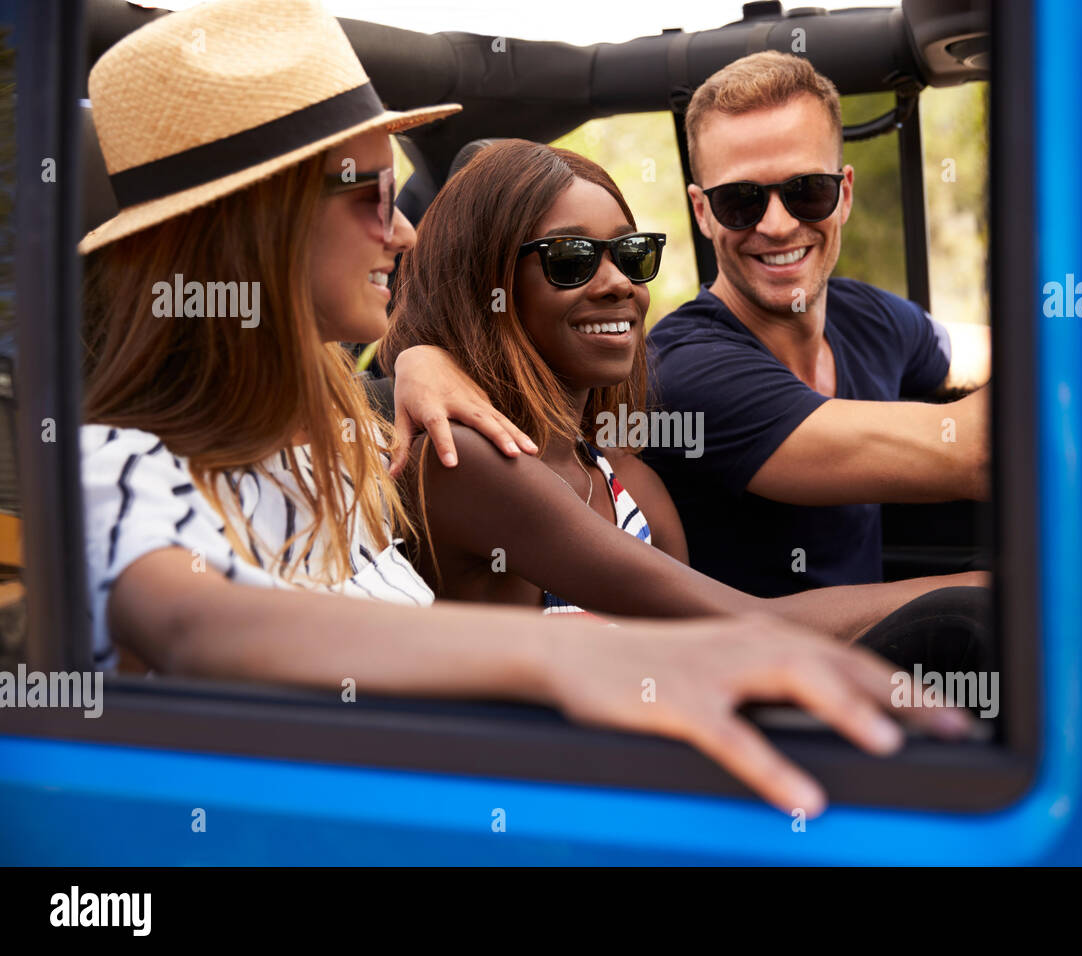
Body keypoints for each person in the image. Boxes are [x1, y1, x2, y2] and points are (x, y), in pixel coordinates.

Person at [75, 0, 973, 817]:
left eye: (633, 252)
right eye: (370, 199)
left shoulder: (333, 460)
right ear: (254, 226)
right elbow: (194, 623)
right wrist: (578, 656)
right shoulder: (115, 465)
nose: (403, 231)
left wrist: (419, 357)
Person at [377, 138, 990, 668]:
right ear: (486, 285)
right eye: (572, 259)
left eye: (632, 253)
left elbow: (706, 651)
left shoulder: (635, 487)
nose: (618, 281)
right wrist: (990, 590)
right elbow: (744, 623)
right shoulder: (462, 461)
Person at [638, 51, 992, 597]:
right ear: (703, 212)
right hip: (755, 677)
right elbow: (980, 452)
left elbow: (995, 351)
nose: (777, 226)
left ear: (843, 195)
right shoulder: (684, 371)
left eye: (807, 191)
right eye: (740, 201)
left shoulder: (867, 316)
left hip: (870, 662)